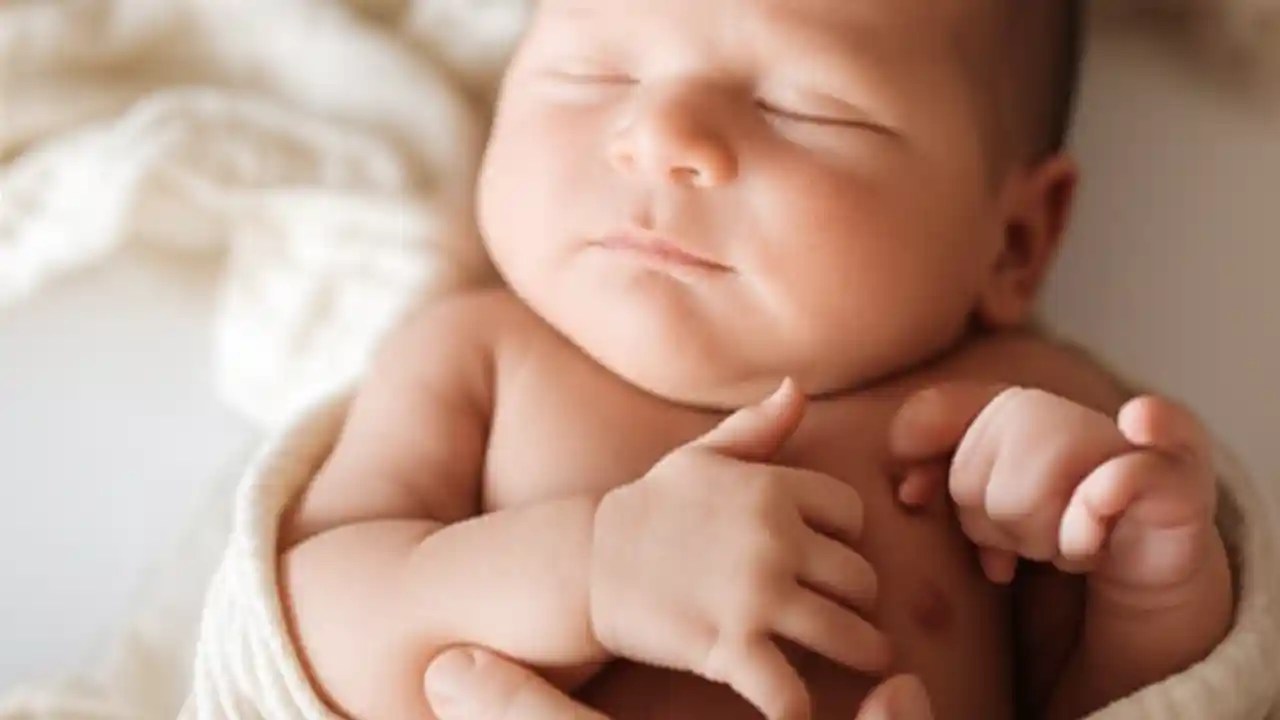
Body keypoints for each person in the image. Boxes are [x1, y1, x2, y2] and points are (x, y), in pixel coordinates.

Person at [276, 0, 1233, 717]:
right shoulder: (476, 355)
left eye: (807, 108)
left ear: (1016, 240)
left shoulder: (1020, 422)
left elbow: (1127, 701)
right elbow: (304, 623)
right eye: (593, 72)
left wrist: (1148, 586)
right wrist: (592, 569)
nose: (660, 137)